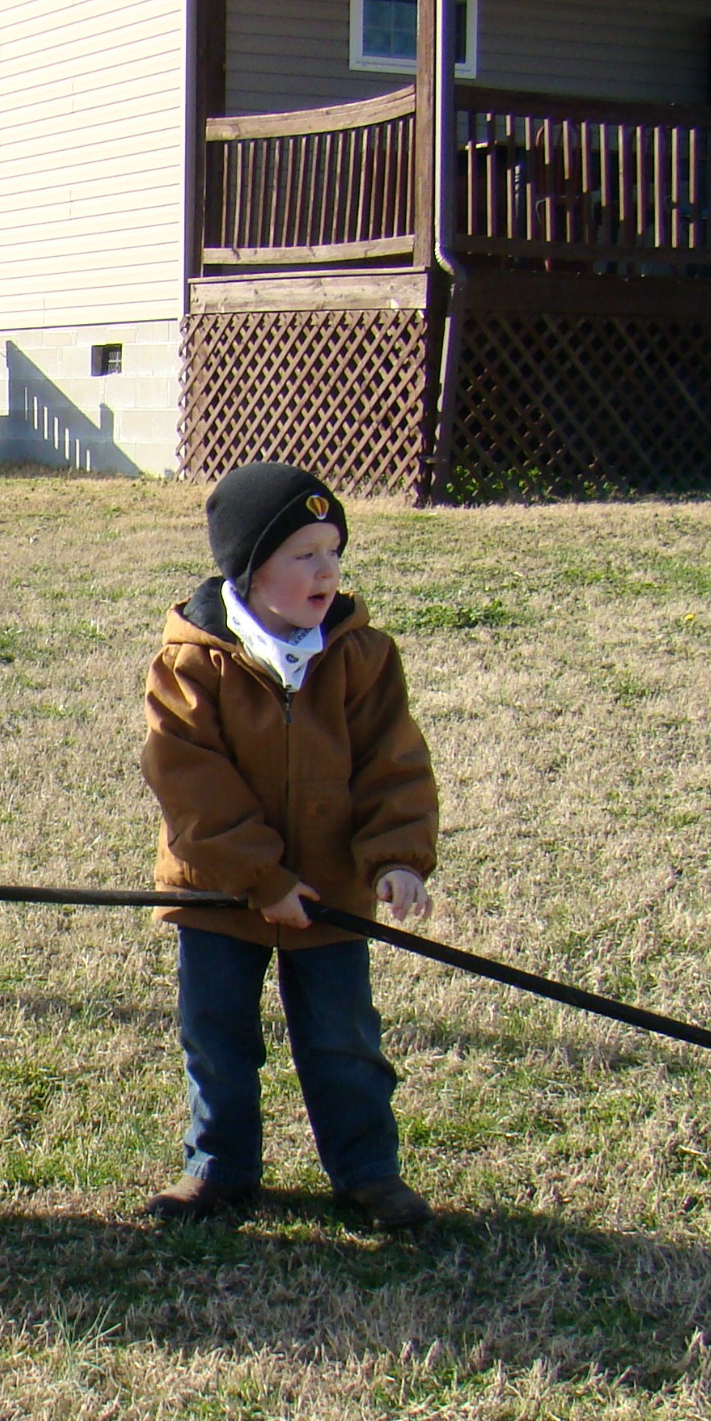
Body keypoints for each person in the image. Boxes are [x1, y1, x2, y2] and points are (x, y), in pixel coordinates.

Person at [141, 461, 440, 1230]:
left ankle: (369, 1173)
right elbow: (191, 787)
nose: (327, 570)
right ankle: (220, 1168)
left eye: (334, 550)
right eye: (304, 553)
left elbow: (393, 764)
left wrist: (396, 858)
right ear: (249, 567)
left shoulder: (362, 655)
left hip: (332, 892)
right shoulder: (190, 663)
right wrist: (261, 877)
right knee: (217, 1039)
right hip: (218, 895)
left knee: (344, 1042)